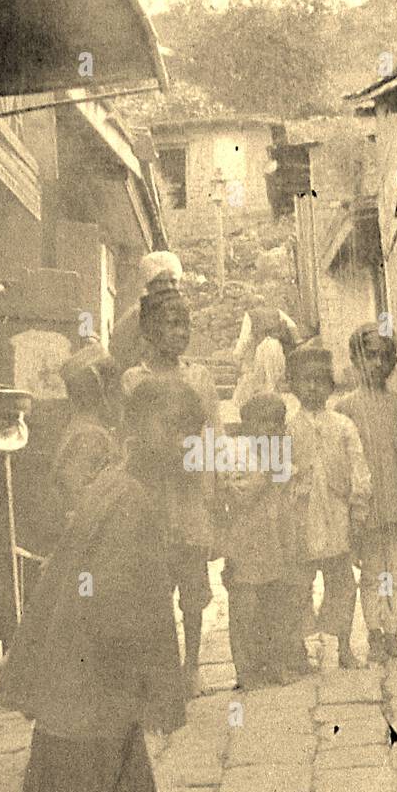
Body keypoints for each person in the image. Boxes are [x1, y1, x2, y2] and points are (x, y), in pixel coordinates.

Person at [0, 376, 202, 792]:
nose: (182, 443)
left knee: (61, 734)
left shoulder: (117, 483)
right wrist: (140, 665)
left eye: (190, 433)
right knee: (117, 747)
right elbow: (121, 590)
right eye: (172, 430)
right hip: (98, 640)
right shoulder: (132, 497)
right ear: (136, 428)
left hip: (69, 635)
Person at [121, 280, 220, 697]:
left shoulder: (200, 379)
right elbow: (129, 437)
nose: (180, 332)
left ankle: (192, 666)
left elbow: (212, 439)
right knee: (152, 584)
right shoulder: (131, 380)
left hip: (189, 495)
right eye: (170, 324)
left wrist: (212, 492)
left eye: (185, 324)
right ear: (148, 331)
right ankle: (159, 669)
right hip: (149, 494)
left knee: (192, 585)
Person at [335, 323, 397, 664]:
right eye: (369, 356)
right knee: (373, 573)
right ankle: (374, 632)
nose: (377, 364)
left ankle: (392, 632)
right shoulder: (345, 408)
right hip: (368, 506)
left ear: (393, 362)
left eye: (384, 357)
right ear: (356, 360)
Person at [287, 343, 371, 669]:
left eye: (320, 381)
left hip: (336, 514)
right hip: (302, 517)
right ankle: (304, 649)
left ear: (330, 385)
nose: (312, 387)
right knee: (300, 585)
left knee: (343, 584)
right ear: (292, 385)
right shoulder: (288, 428)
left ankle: (344, 645)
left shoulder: (343, 425)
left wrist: (358, 507)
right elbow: (280, 471)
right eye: (305, 380)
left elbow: (358, 468)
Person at [218, 392, 296, 688]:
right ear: (247, 424)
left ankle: (275, 663)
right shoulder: (236, 452)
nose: (271, 429)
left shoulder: (280, 452)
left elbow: (288, 494)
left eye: (277, 423)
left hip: (274, 538)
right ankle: (245, 669)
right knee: (244, 607)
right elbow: (237, 494)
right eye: (263, 422)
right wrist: (266, 475)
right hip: (244, 540)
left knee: (275, 605)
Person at [52, 336, 121, 525]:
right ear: (99, 392)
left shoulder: (87, 429)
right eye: (114, 389)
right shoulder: (90, 435)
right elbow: (73, 491)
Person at [108, 250, 184, 373]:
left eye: (173, 281)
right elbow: (118, 355)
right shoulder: (136, 316)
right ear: (149, 286)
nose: (169, 287)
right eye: (161, 282)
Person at [232, 306, 295, 410]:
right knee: (274, 378)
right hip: (277, 347)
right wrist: (296, 343)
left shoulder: (250, 314)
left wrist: (238, 354)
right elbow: (292, 326)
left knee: (260, 379)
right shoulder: (277, 312)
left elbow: (245, 339)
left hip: (262, 348)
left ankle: (264, 405)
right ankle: (274, 404)